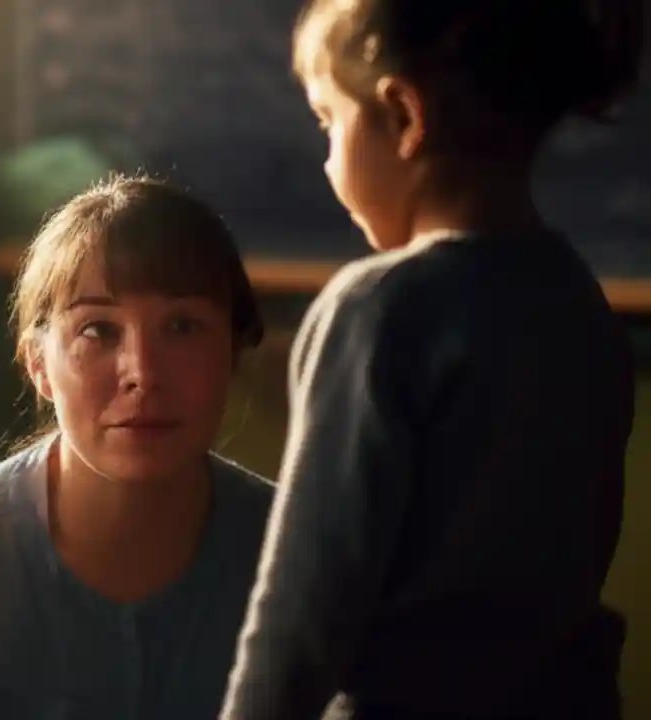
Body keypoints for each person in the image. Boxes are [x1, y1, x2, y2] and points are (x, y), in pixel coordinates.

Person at [220, 1, 642, 718]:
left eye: (329, 121)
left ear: (403, 117)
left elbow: (306, 606)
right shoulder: (576, 300)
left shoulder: (380, 309)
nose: (327, 156)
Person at [0, 176, 273, 718]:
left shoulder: (295, 554)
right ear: (37, 364)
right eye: (97, 331)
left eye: (181, 326)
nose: (143, 373)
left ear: (232, 351)